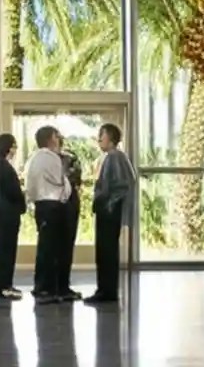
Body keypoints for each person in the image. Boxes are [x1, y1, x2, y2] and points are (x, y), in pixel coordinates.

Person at [86, 123, 134, 305]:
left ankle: (106, 291)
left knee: (106, 252)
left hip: (108, 213)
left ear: (111, 138)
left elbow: (122, 186)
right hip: (108, 211)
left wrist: (109, 204)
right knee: (106, 251)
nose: (99, 139)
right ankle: (105, 290)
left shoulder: (115, 157)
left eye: (102, 135)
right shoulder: (113, 158)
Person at [25, 125, 71, 305]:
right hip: (52, 206)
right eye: (56, 136)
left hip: (41, 206)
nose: (58, 139)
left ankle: (43, 287)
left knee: (45, 247)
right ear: (51, 138)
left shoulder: (33, 159)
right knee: (52, 249)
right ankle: (47, 289)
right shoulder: (51, 158)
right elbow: (61, 181)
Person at [0, 132, 26, 302]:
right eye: (14, 146)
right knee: (6, 251)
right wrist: (22, 199)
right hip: (8, 214)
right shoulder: (4, 166)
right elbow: (13, 191)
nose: (15, 149)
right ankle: (4, 286)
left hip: (1, 214)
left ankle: (1, 285)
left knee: (1, 250)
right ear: (8, 147)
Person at [57, 148, 84, 302]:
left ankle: (58, 286)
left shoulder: (49, 159)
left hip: (58, 207)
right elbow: (76, 181)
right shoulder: (69, 159)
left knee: (59, 249)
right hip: (68, 208)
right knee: (65, 248)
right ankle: (62, 286)